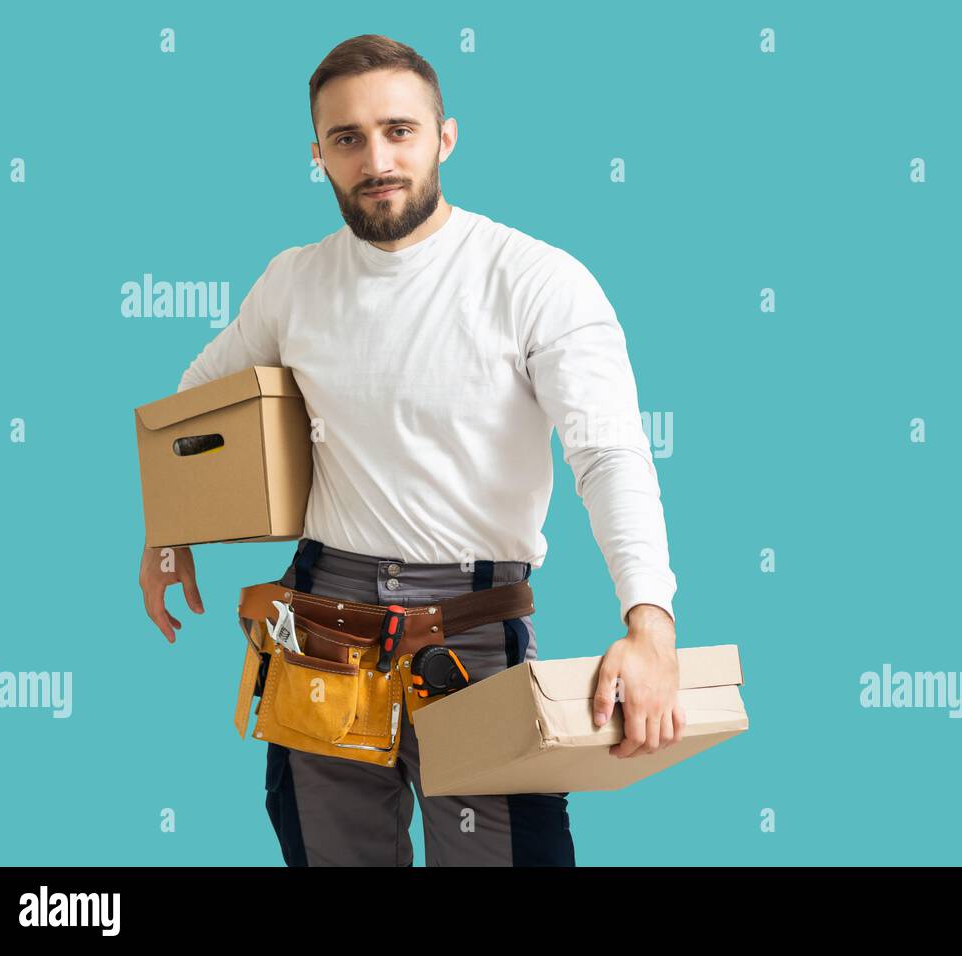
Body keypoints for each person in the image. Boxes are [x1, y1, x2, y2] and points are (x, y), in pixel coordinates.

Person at [136, 34, 682, 866]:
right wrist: (167, 528)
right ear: (317, 153)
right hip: (321, 631)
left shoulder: (534, 280)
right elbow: (192, 410)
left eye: (400, 130)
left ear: (445, 137)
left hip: (470, 643)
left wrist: (651, 626)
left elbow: (608, 455)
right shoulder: (293, 281)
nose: (376, 158)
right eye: (347, 138)